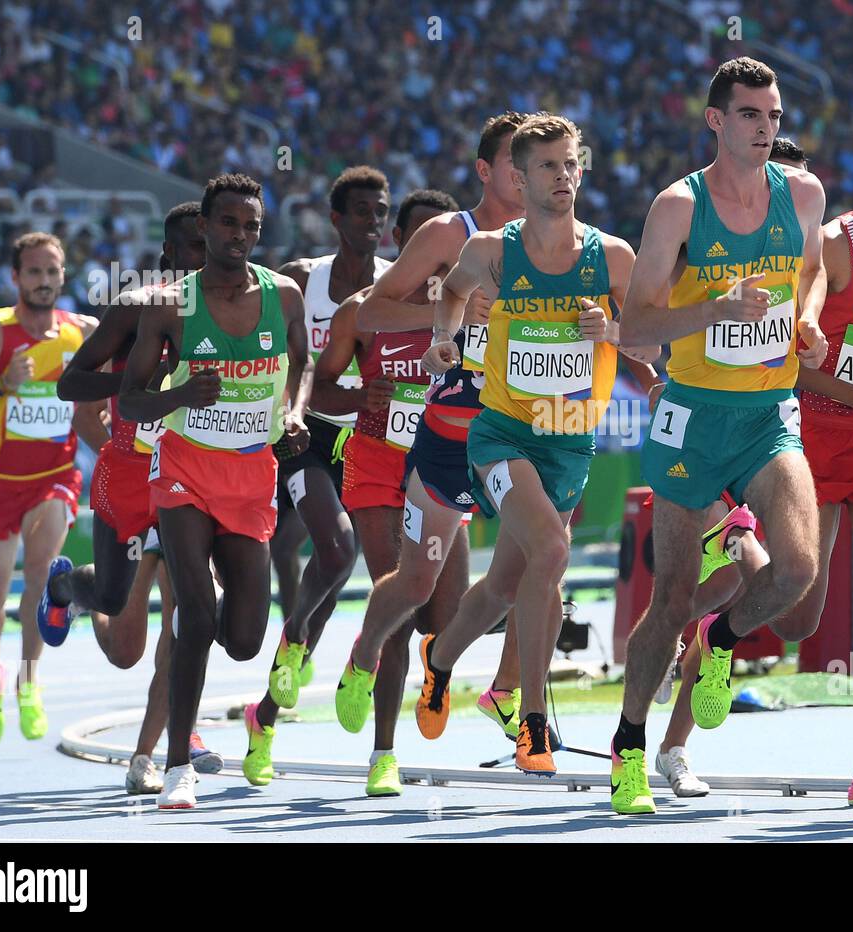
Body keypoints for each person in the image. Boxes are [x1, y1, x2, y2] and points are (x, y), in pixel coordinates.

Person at [653, 123, 853, 807]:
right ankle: (694, 691)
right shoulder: (829, 245)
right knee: (794, 620)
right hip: (814, 442)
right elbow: (796, 359)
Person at [367, 112, 656, 778]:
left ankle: (439, 661)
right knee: (551, 550)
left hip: (569, 443)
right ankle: (531, 720)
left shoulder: (612, 257)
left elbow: (648, 340)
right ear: (520, 180)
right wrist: (445, 338)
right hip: (499, 435)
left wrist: (610, 329)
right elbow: (454, 297)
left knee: (506, 583)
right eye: (549, 166)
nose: (564, 176)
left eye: (572, 163)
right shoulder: (491, 251)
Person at [607, 57, 828, 815]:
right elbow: (634, 328)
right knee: (669, 598)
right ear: (716, 121)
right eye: (750, 116)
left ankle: (724, 644)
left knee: (796, 572)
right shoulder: (677, 207)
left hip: (768, 414)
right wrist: (712, 313)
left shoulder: (802, 192)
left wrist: (810, 321)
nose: (766, 129)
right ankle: (631, 748)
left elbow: (815, 272)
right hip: (691, 419)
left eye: (773, 117)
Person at [243, 188, 463, 797]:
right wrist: (358, 399)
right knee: (370, 581)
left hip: (438, 465)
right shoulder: (355, 303)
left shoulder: (469, 306)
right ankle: (380, 752)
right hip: (342, 448)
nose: (436, 263)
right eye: (422, 245)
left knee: (437, 614)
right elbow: (315, 380)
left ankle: (295, 690)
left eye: (447, 253)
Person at [118, 173, 310, 810]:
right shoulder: (168, 304)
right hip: (184, 466)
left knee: (247, 638)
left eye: (252, 226)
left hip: (253, 473)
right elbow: (129, 398)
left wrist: (293, 413)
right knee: (195, 616)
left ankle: (218, 585)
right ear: (205, 227)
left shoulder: (283, 296)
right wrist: (178, 396)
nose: (241, 236)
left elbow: (301, 365)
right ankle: (179, 767)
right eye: (229, 223)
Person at [340, 114, 528, 740]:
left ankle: (510, 699)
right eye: (517, 162)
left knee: (538, 560)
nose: (534, 175)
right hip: (447, 428)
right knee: (421, 586)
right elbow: (371, 310)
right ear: (487, 171)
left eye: (550, 163)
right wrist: (444, 301)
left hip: (522, 429)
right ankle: (367, 648)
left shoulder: (561, 240)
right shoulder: (452, 233)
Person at [41, 203, 222, 791]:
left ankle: (156, 753)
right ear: (170, 257)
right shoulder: (136, 310)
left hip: (191, 477)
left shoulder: (236, 306)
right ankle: (70, 585)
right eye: (196, 247)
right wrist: (138, 390)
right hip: (128, 478)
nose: (210, 254)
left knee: (192, 612)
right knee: (123, 642)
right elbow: (71, 385)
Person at [0, 232, 104, 745]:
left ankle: (29, 683)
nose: (43, 281)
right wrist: (2, 385)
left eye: (52, 271)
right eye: (33, 272)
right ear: (15, 278)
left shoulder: (83, 332)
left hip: (54, 479)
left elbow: (92, 409)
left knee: (39, 579)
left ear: (63, 275)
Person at [259, 167, 396, 725]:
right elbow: (259, 338)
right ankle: (292, 641)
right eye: (361, 211)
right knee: (335, 549)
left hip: (363, 442)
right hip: (301, 435)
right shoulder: (298, 280)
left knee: (335, 566)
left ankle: (284, 675)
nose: (372, 221)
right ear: (336, 219)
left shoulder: (395, 284)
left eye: (380, 211)